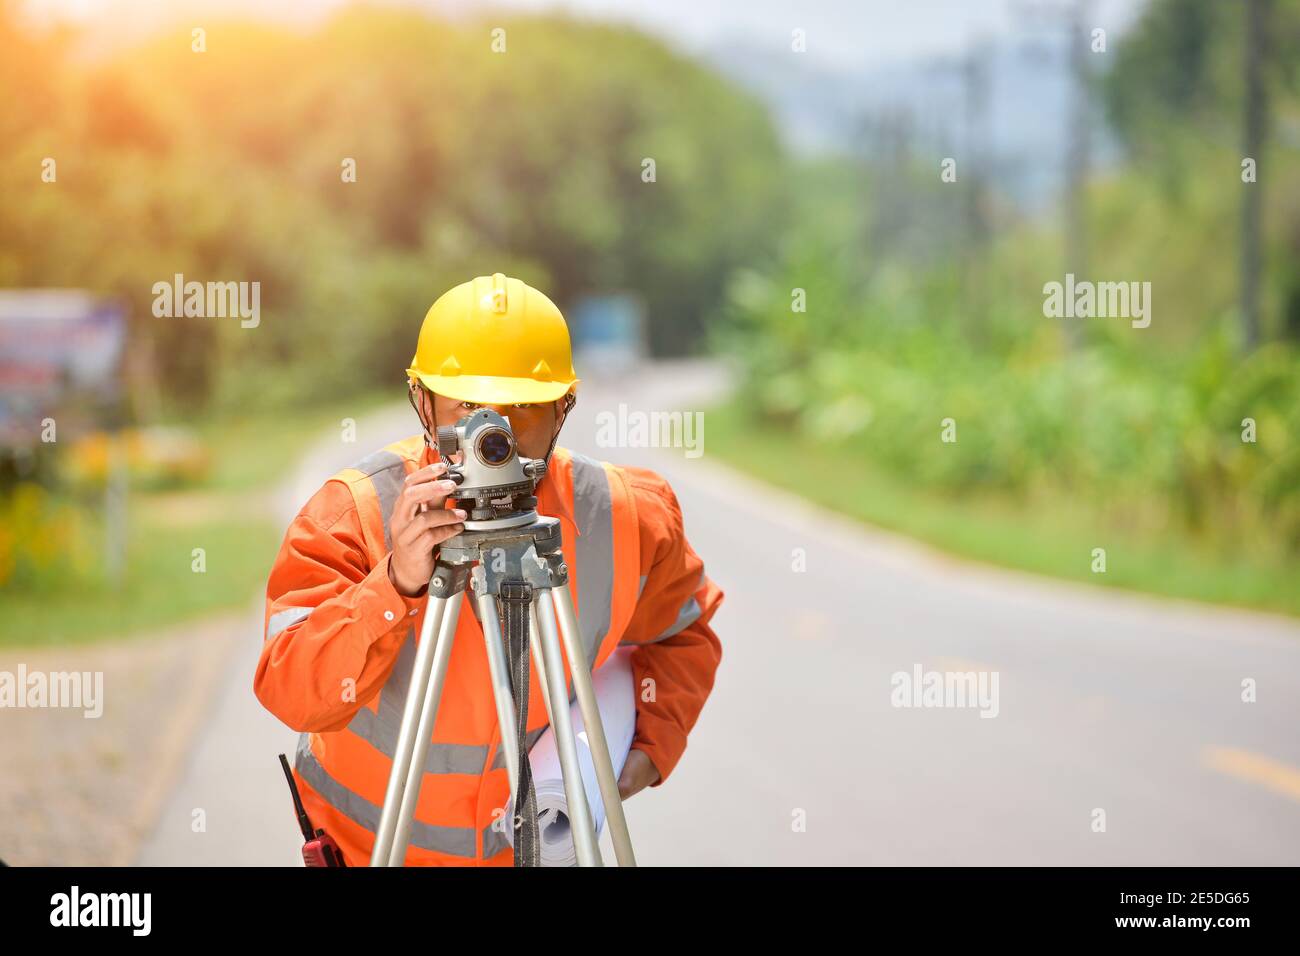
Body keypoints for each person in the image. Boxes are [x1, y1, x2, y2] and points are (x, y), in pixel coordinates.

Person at [254, 273, 724, 866]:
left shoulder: (625, 516)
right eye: (469, 409)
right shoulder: (353, 514)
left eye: (520, 410)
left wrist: (650, 746)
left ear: (563, 408)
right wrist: (394, 583)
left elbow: (684, 634)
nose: (493, 437)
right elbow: (296, 694)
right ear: (422, 401)